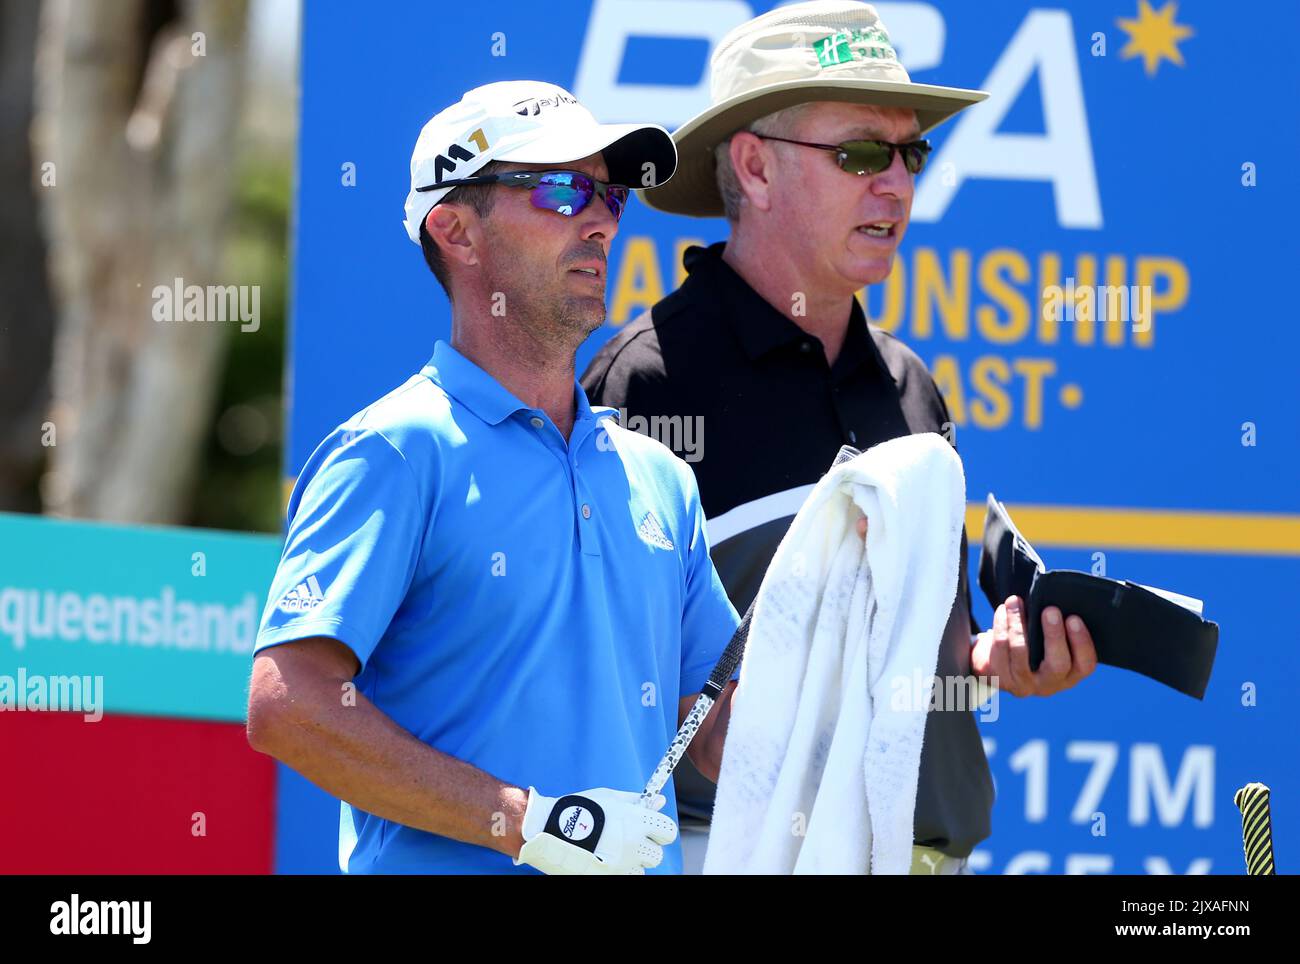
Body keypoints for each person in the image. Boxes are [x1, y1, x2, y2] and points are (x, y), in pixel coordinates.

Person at [582, 1, 1099, 875]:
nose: (896, 183)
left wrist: (995, 660)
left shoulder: (908, 383)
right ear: (754, 168)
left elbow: (917, 659)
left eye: (910, 154)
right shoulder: (646, 382)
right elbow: (598, 682)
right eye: (861, 153)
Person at [245, 80, 742, 875]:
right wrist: (528, 822)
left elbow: (721, 733)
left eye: (610, 195)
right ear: (456, 231)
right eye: (562, 190)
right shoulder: (395, 450)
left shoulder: (659, 479)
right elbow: (288, 704)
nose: (601, 221)